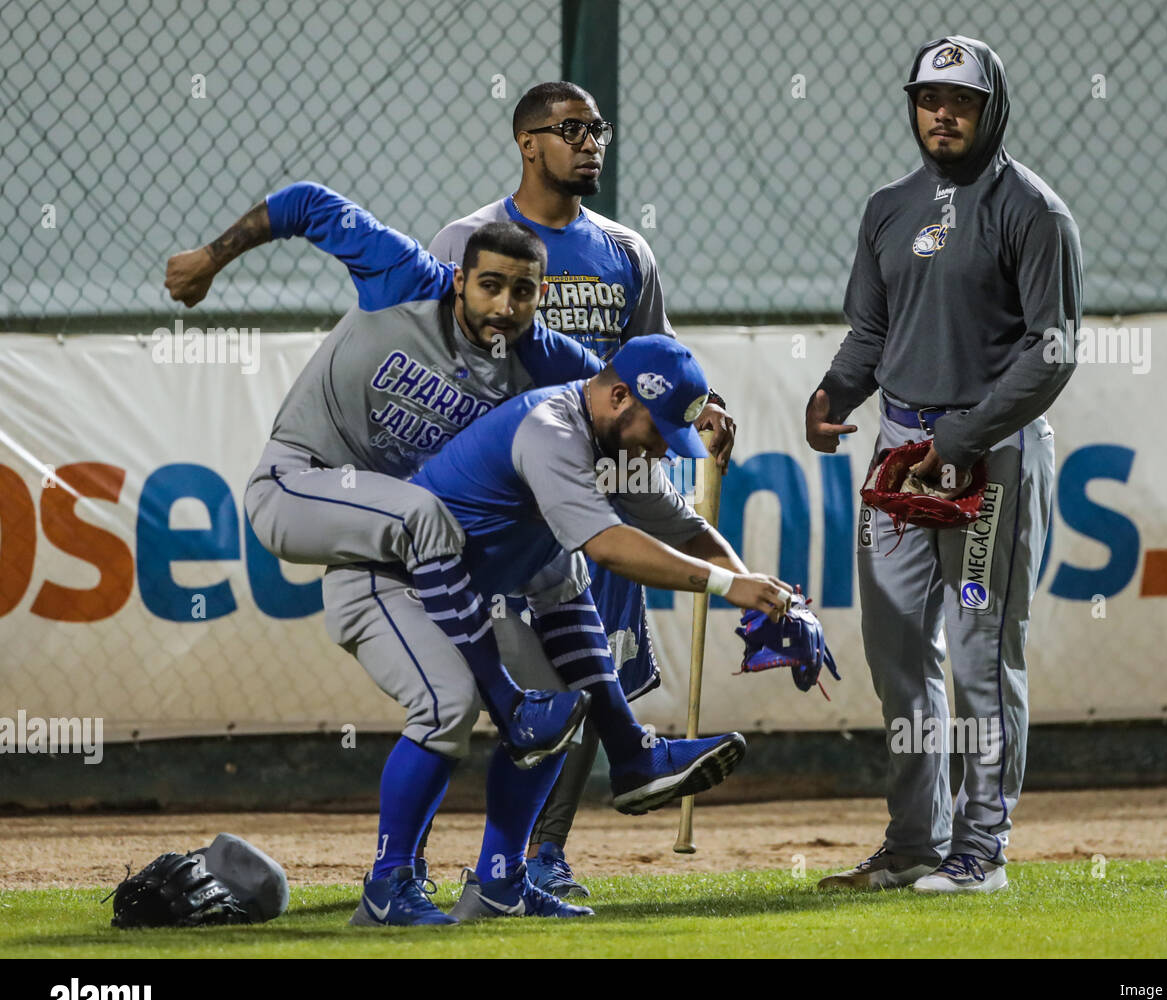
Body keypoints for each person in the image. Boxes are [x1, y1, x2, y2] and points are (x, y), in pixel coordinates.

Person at [162, 183, 751, 925]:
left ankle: (503, 876)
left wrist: (696, 409)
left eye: (524, 293)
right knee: (431, 558)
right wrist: (212, 260)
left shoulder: (546, 360)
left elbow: (626, 384)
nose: (505, 306)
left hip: (417, 549)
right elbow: (308, 203)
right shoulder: (406, 276)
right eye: (491, 286)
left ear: (540, 298)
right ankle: (451, 790)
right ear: (460, 278)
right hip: (300, 483)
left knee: (555, 673)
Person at [429, 81, 734, 897]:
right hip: (509, 491)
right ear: (528, 143)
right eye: (571, 129)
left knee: (599, 667)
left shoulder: (628, 251)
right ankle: (435, 863)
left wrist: (702, 410)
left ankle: (540, 857)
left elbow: (659, 365)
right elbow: (435, 360)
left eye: (597, 129)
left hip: (612, 483)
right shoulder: (472, 238)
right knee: (498, 687)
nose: (591, 142)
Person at [381, 334, 793, 923]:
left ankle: (501, 882)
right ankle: (388, 882)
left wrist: (765, 599)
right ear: (620, 397)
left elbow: (687, 531)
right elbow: (609, 548)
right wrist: (730, 587)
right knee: (445, 710)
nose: (660, 451)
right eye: (658, 433)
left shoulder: (617, 443)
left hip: (482, 589)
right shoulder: (551, 429)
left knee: (563, 711)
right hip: (409, 587)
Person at [805, 36, 1082, 894]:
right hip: (899, 448)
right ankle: (915, 841)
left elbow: (1055, 350)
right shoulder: (890, 205)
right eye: (928, 98)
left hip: (986, 454)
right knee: (897, 656)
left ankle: (982, 850)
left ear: (991, 106)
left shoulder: (1034, 210)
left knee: (978, 656)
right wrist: (833, 395)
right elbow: (872, 332)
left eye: (959, 101)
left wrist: (962, 441)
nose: (941, 113)